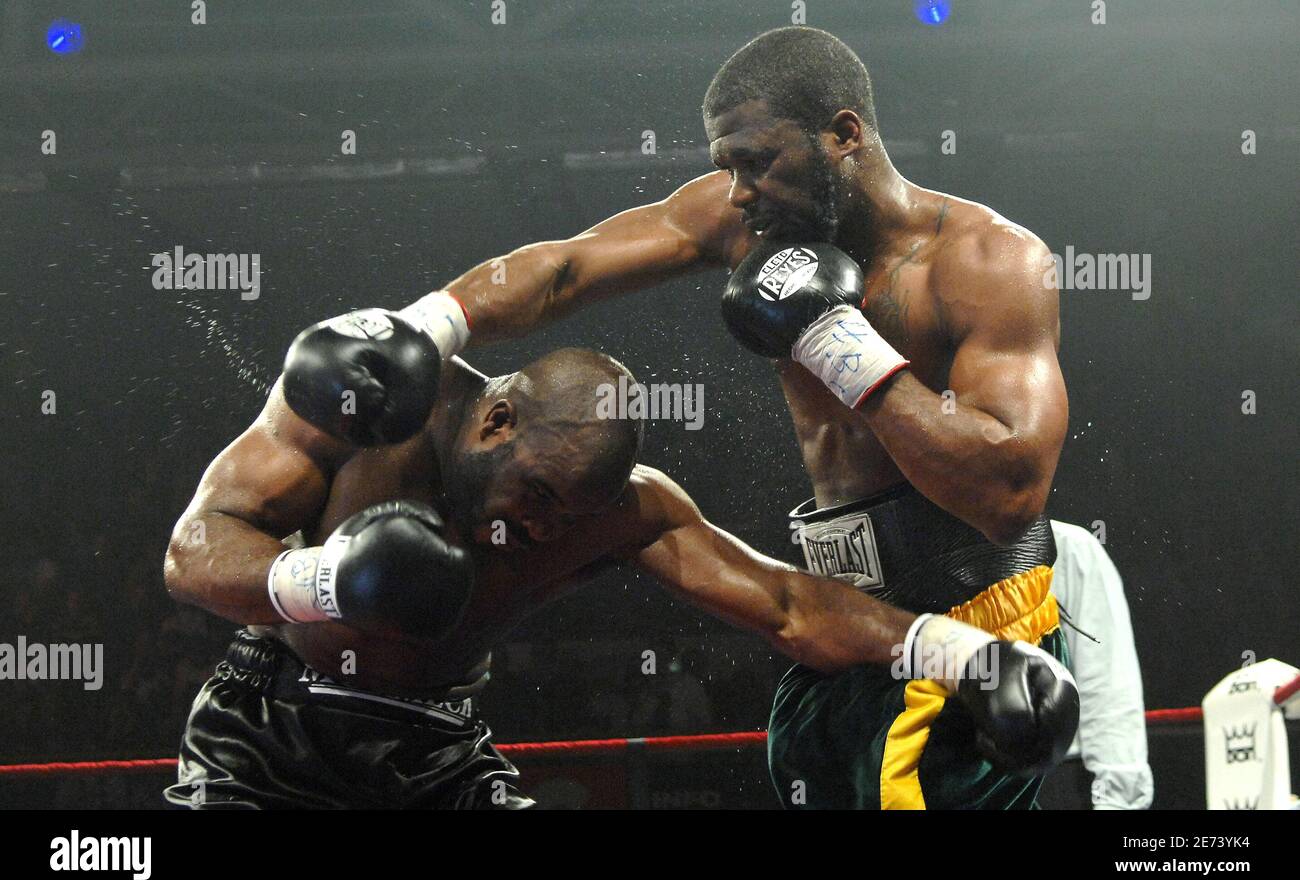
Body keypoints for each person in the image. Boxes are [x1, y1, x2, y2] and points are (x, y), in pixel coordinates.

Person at [283, 26, 1073, 809]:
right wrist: (423, 327)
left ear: (844, 134)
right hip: (845, 623)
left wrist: (837, 342)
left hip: (966, 605)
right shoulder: (750, 223)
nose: (737, 191)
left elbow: (1006, 497)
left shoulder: (987, 263)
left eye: (757, 161)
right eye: (726, 166)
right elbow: (564, 268)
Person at [161, 312, 1076, 809]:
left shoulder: (625, 511)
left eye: (570, 517)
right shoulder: (384, 404)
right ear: (495, 421)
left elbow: (788, 605)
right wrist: (323, 580)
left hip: (432, 750)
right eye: (539, 496)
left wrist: (962, 654)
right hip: (273, 729)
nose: (544, 531)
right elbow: (193, 551)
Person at [1038, 520, 1153, 810]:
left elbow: (1108, 685)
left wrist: (1118, 801)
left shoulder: (1067, 548)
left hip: (1055, 782)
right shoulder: (920, 556)